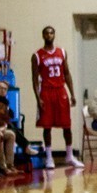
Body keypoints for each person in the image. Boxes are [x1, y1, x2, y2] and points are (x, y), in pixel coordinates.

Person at [32, 25, 80, 170]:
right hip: (46, 91)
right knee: (47, 126)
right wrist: (37, 98)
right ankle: (49, 157)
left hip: (60, 90)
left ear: (55, 35)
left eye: (52, 32)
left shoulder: (62, 52)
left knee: (67, 125)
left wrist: (72, 93)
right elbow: (34, 79)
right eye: (46, 33)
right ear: (43, 35)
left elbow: (67, 73)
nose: (49, 35)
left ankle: (70, 155)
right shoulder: (37, 55)